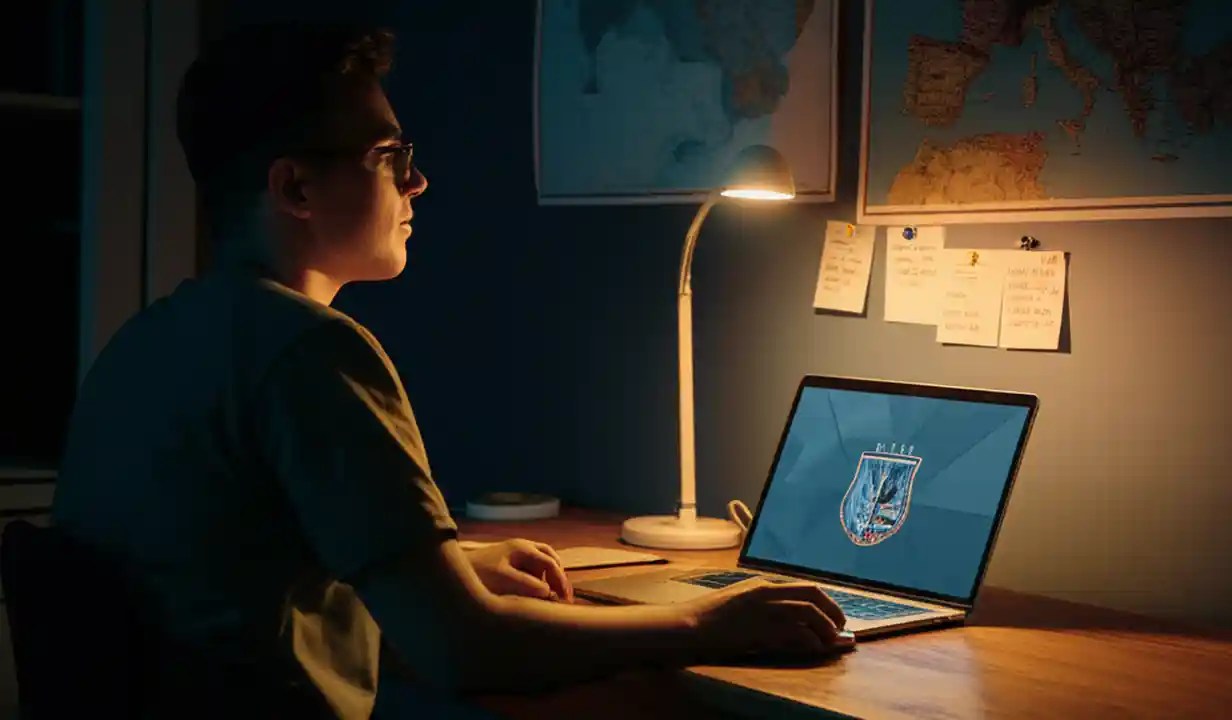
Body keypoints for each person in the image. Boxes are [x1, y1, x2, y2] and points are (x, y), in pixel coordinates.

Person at [51, 22, 852, 720]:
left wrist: (450, 564)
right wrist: (706, 626)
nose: (417, 182)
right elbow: (464, 649)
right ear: (295, 186)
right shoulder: (306, 350)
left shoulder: (154, 339)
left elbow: (242, 565)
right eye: (389, 156)